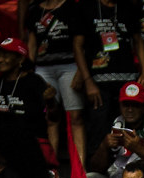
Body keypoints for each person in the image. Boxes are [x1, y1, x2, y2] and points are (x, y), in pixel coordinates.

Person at [72, 0, 144, 152]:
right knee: (99, 129)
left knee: (129, 128)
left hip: (127, 80)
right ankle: (99, 165)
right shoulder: (86, 7)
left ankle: (130, 163)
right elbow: (77, 46)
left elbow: (138, 41)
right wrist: (87, 81)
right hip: (98, 83)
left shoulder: (128, 7)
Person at [26, 0, 87, 161]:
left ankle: (80, 166)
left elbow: (81, 43)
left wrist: (81, 72)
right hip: (43, 68)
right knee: (49, 117)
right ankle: (51, 166)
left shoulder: (72, 7)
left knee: (76, 116)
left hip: (69, 65)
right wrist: (30, 72)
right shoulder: (34, 10)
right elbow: (32, 44)